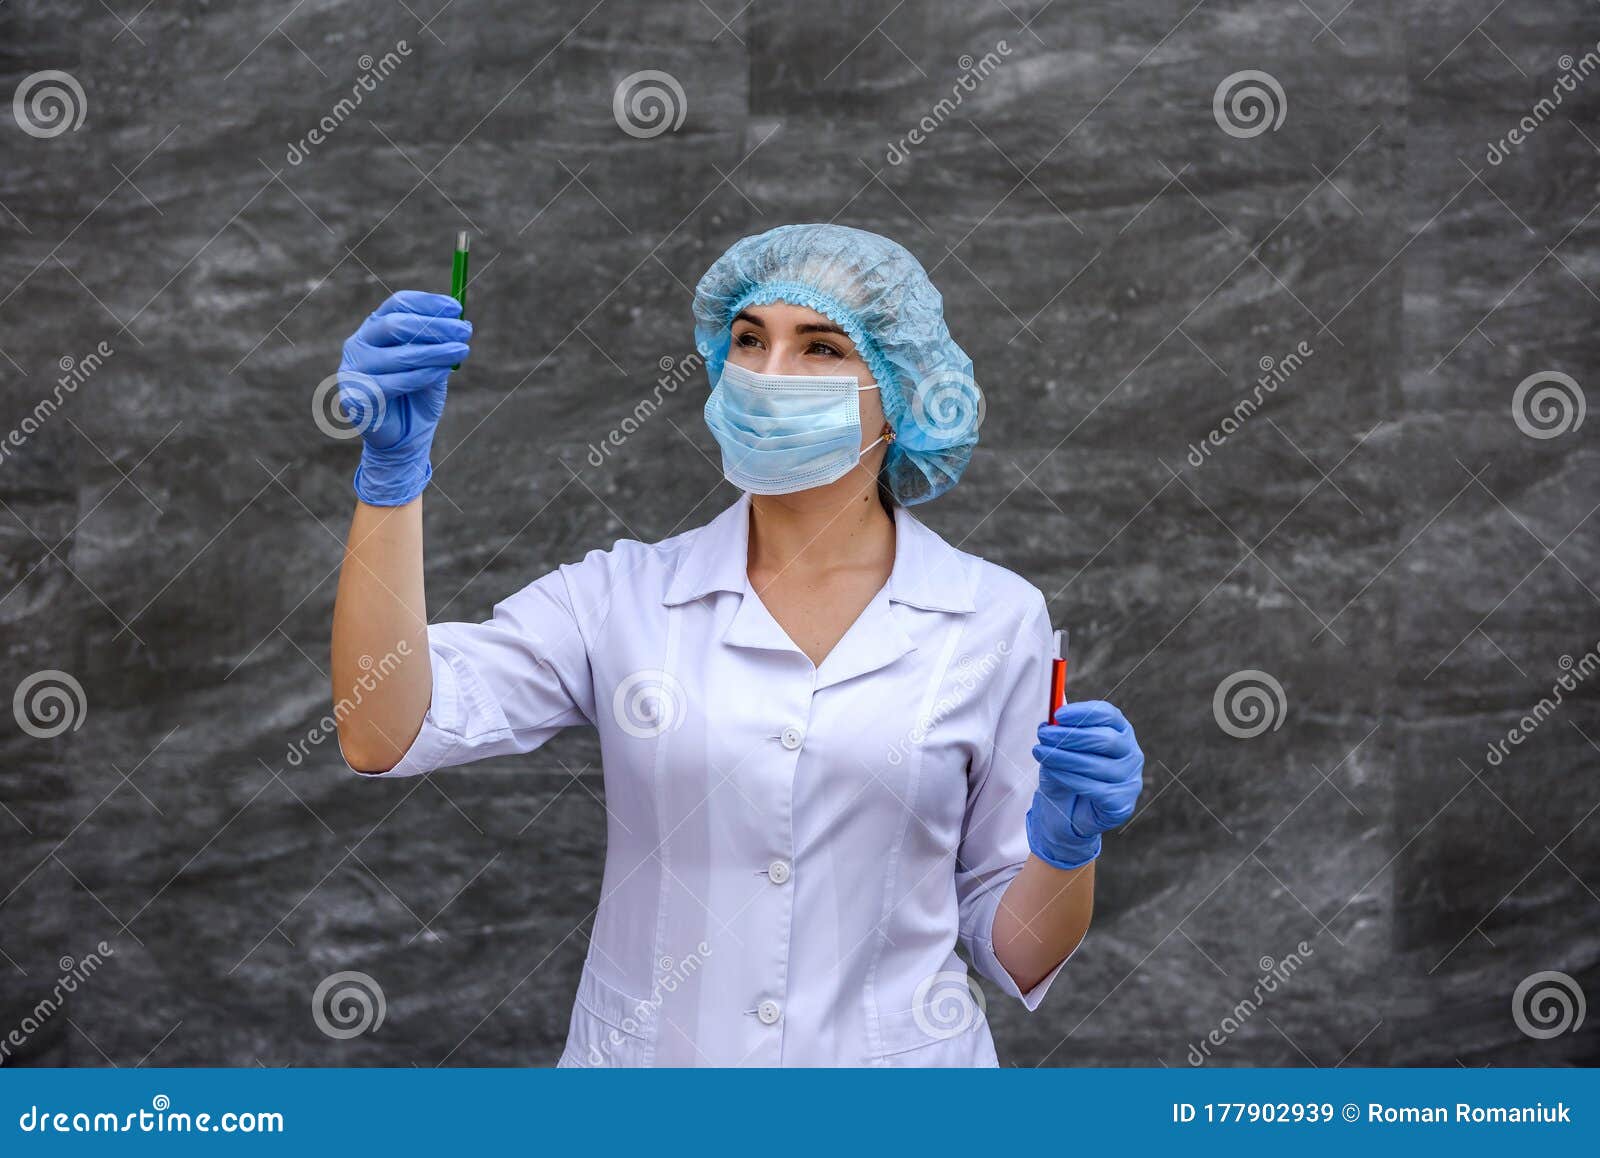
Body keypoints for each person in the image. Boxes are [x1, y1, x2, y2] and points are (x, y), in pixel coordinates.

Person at [329, 223, 1144, 1067]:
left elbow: (1018, 953)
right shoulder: (624, 595)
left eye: (821, 348)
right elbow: (382, 726)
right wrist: (392, 479)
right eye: (749, 339)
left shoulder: (992, 618)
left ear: (904, 398)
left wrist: (1064, 850)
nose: (769, 372)